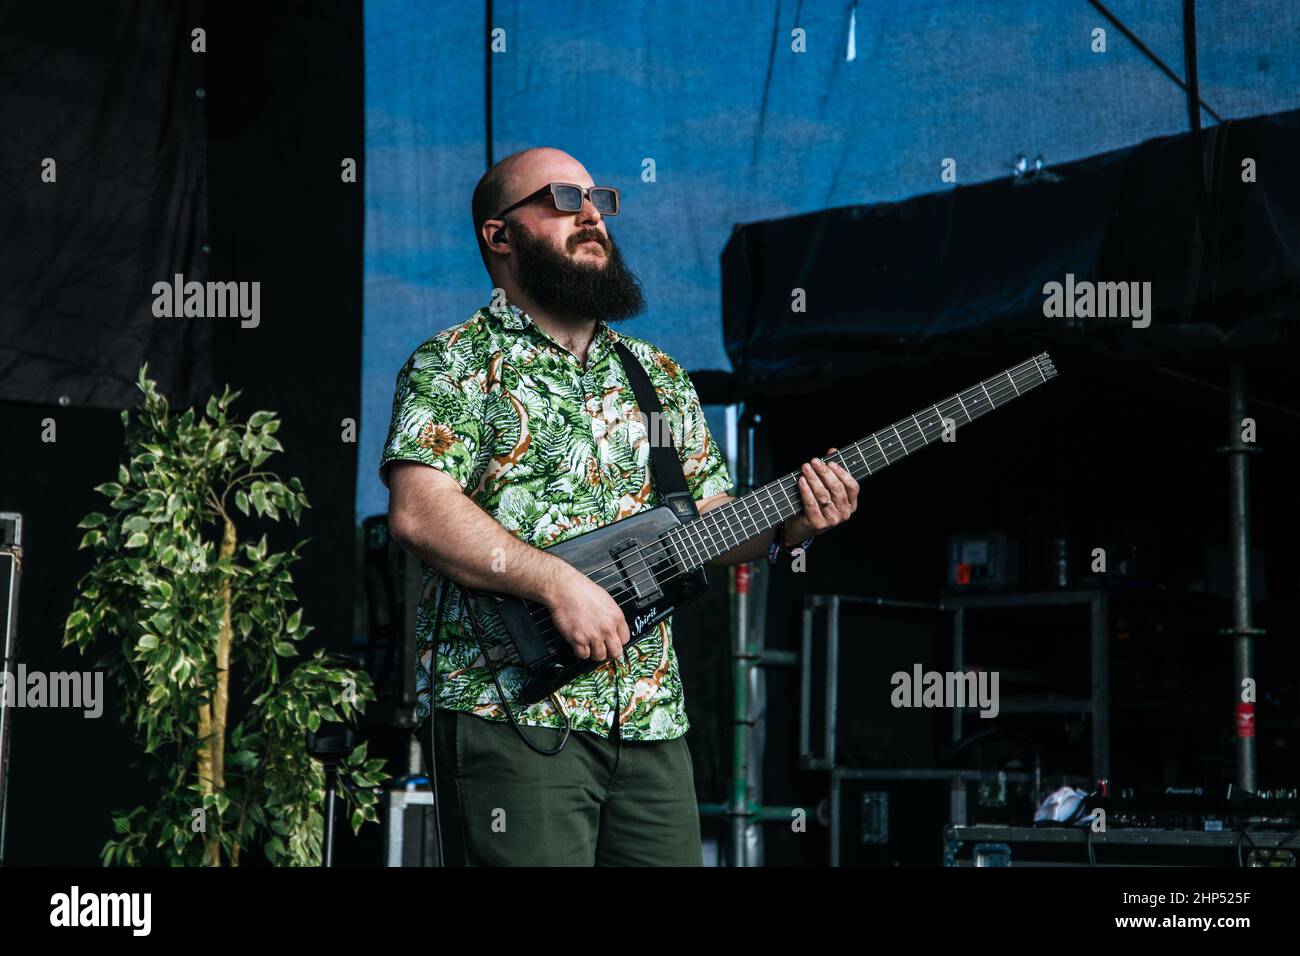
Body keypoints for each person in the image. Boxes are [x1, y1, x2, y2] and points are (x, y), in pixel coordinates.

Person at [379, 147, 858, 865]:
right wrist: (554, 582)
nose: (592, 213)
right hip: (509, 714)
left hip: (651, 720)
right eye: (564, 200)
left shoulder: (658, 375)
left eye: (597, 198)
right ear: (499, 236)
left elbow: (713, 523)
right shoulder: (453, 363)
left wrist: (790, 524)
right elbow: (419, 512)